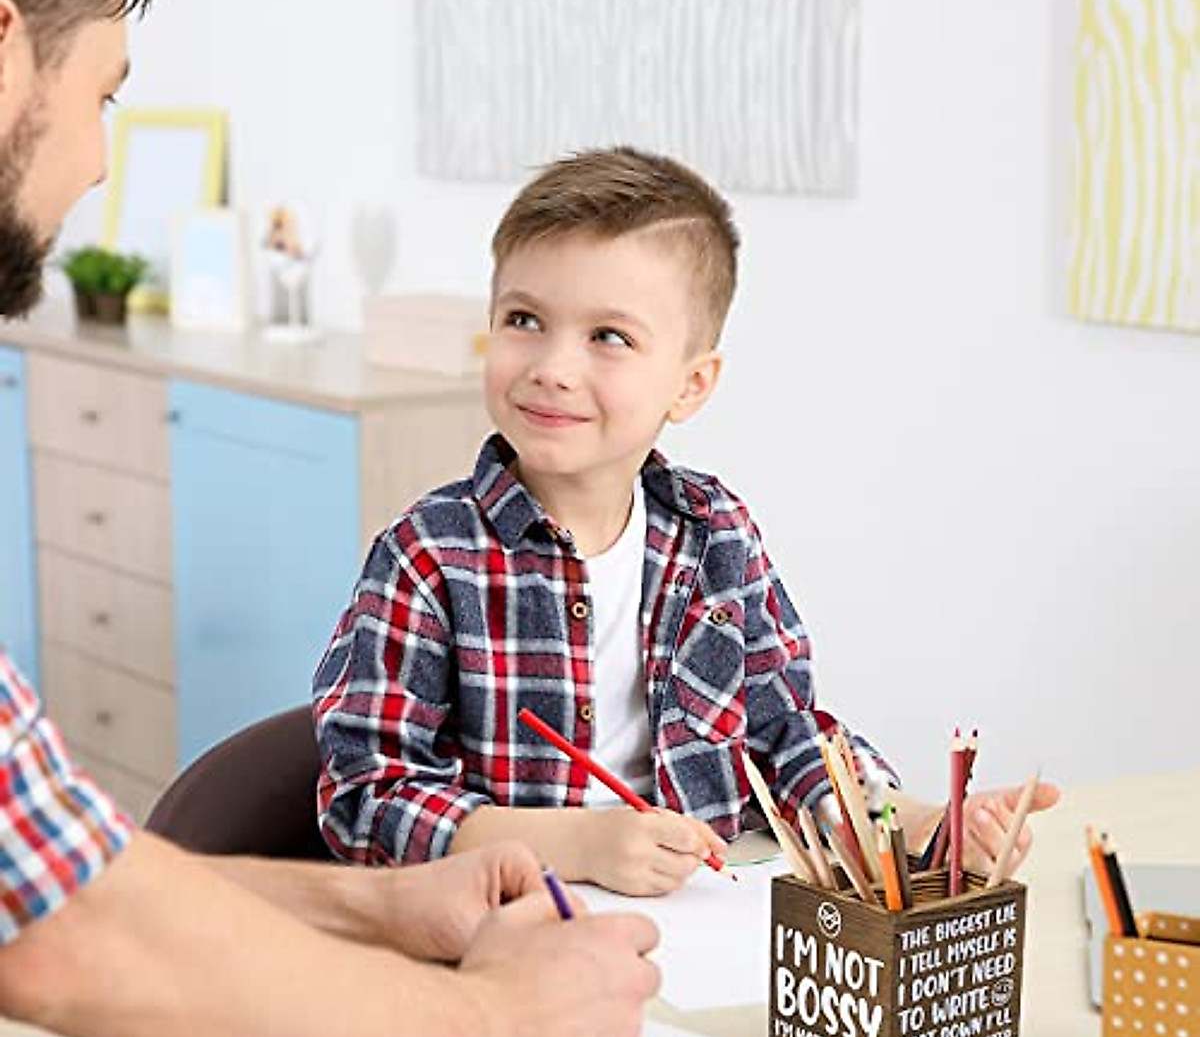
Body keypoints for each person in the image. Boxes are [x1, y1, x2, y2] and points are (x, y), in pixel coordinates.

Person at [0, 0, 659, 1037]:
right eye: (104, 95)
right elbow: (60, 929)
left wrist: (377, 907)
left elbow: (36, 876)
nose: (102, 163)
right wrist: (488, 1029)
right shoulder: (427, 549)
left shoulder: (707, 536)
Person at [314, 146, 1060, 896]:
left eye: (608, 336)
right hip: (505, 932)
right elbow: (368, 802)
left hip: (697, 925)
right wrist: (574, 844)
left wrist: (910, 824)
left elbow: (783, 738)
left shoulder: (717, 536)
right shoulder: (430, 554)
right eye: (524, 319)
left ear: (691, 384)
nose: (553, 367)